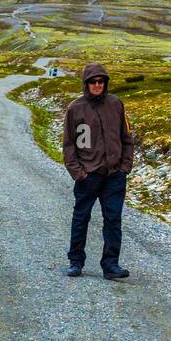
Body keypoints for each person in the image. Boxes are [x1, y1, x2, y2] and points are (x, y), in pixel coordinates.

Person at [61, 63, 135, 279]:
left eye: (100, 81)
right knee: (81, 217)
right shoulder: (75, 109)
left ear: (105, 83)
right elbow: (68, 145)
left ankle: (111, 265)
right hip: (88, 176)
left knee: (113, 220)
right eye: (92, 81)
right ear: (86, 83)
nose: (97, 85)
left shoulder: (116, 104)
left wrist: (124, 167)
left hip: (114, 176)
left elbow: (127, 138)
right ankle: (76, 262)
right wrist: (79, 173)